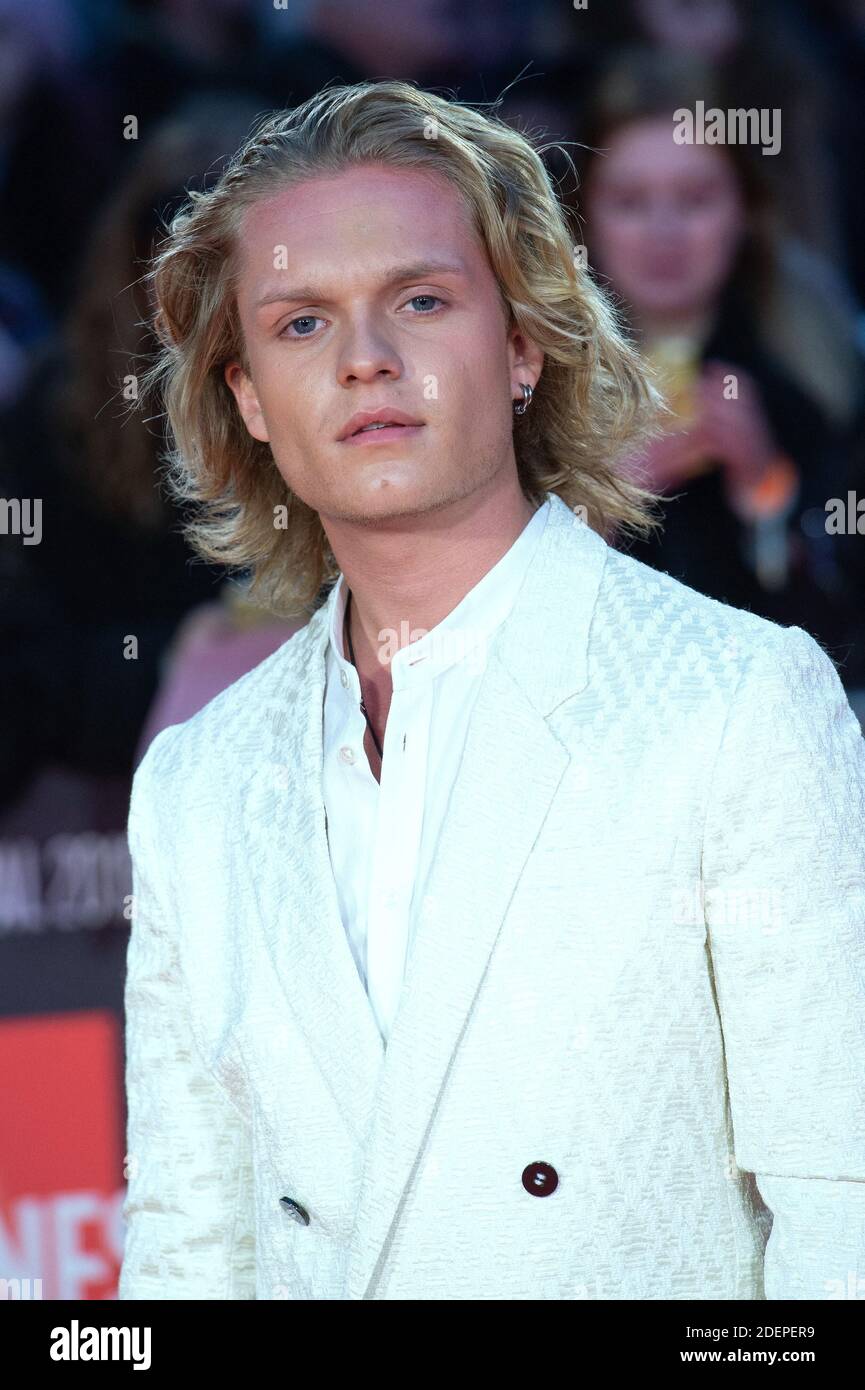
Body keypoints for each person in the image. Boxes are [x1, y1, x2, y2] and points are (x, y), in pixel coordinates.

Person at [118, 79, 865, 1301]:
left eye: (419, 299)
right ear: (245, 395)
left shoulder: (737, 703)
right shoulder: (197, 783)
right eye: (301, 323)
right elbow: (187, 1241)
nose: (365, 361)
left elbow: (842, 1210)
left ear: (522, 344)